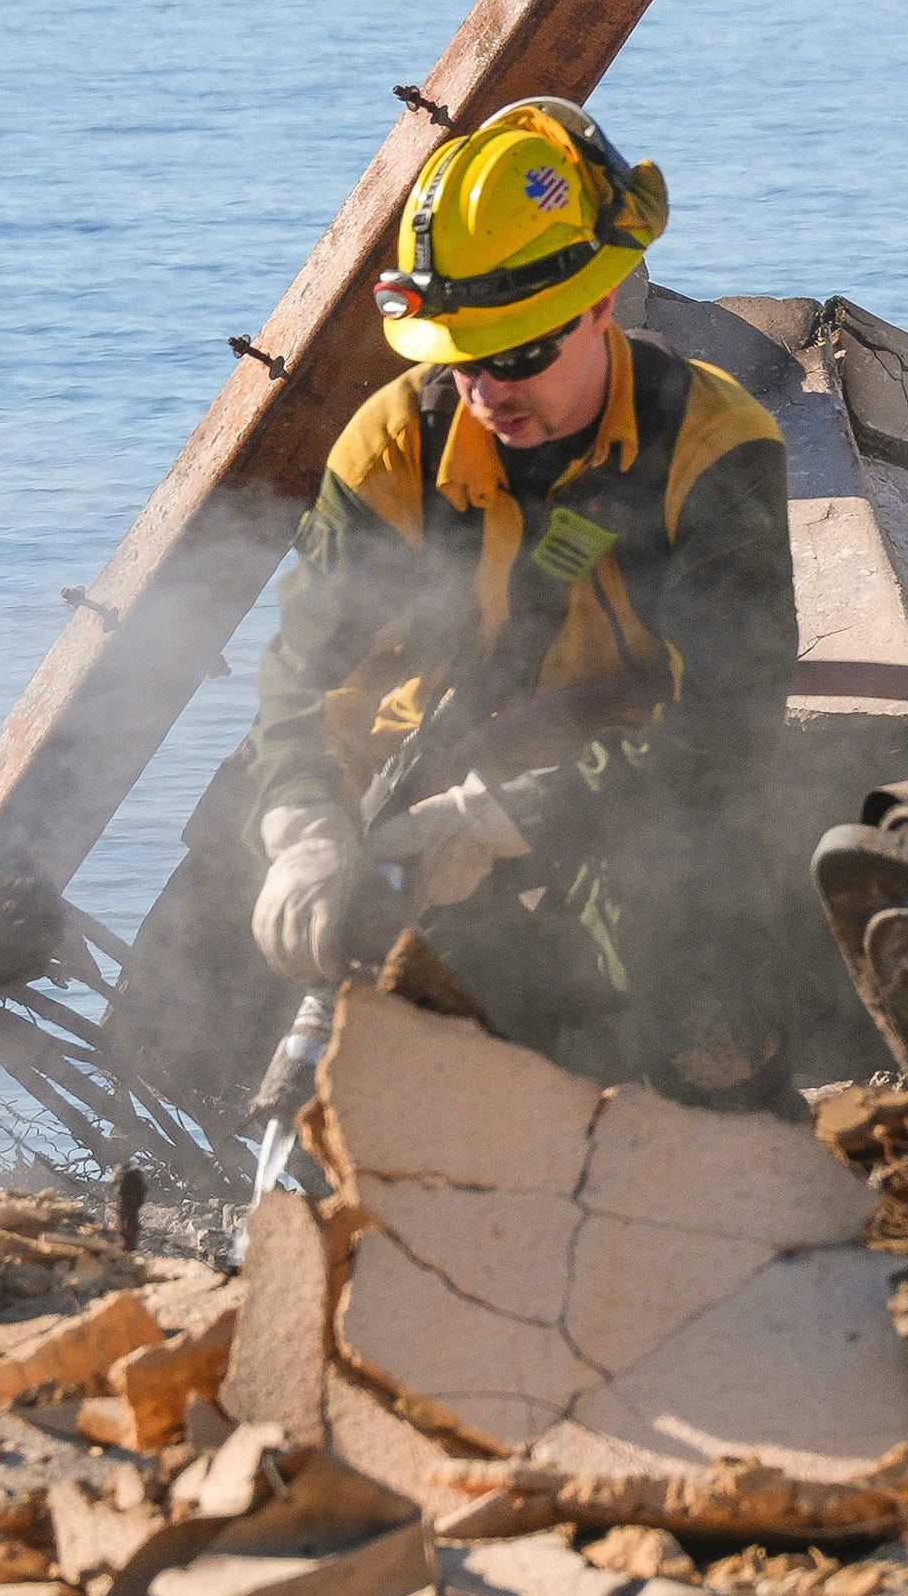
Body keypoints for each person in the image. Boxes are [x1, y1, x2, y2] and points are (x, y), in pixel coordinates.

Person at [243, 98, 805, 1097]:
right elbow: (301, 678)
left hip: (643, 793)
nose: (487, 394)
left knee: (696, 973)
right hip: (425, 798)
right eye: (459, 362)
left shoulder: (714, 447)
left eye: (517, 355)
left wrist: (516, 815)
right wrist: (305, 828)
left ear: (599, 309)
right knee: (291, 938)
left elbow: (730, 727)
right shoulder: (391, 448)